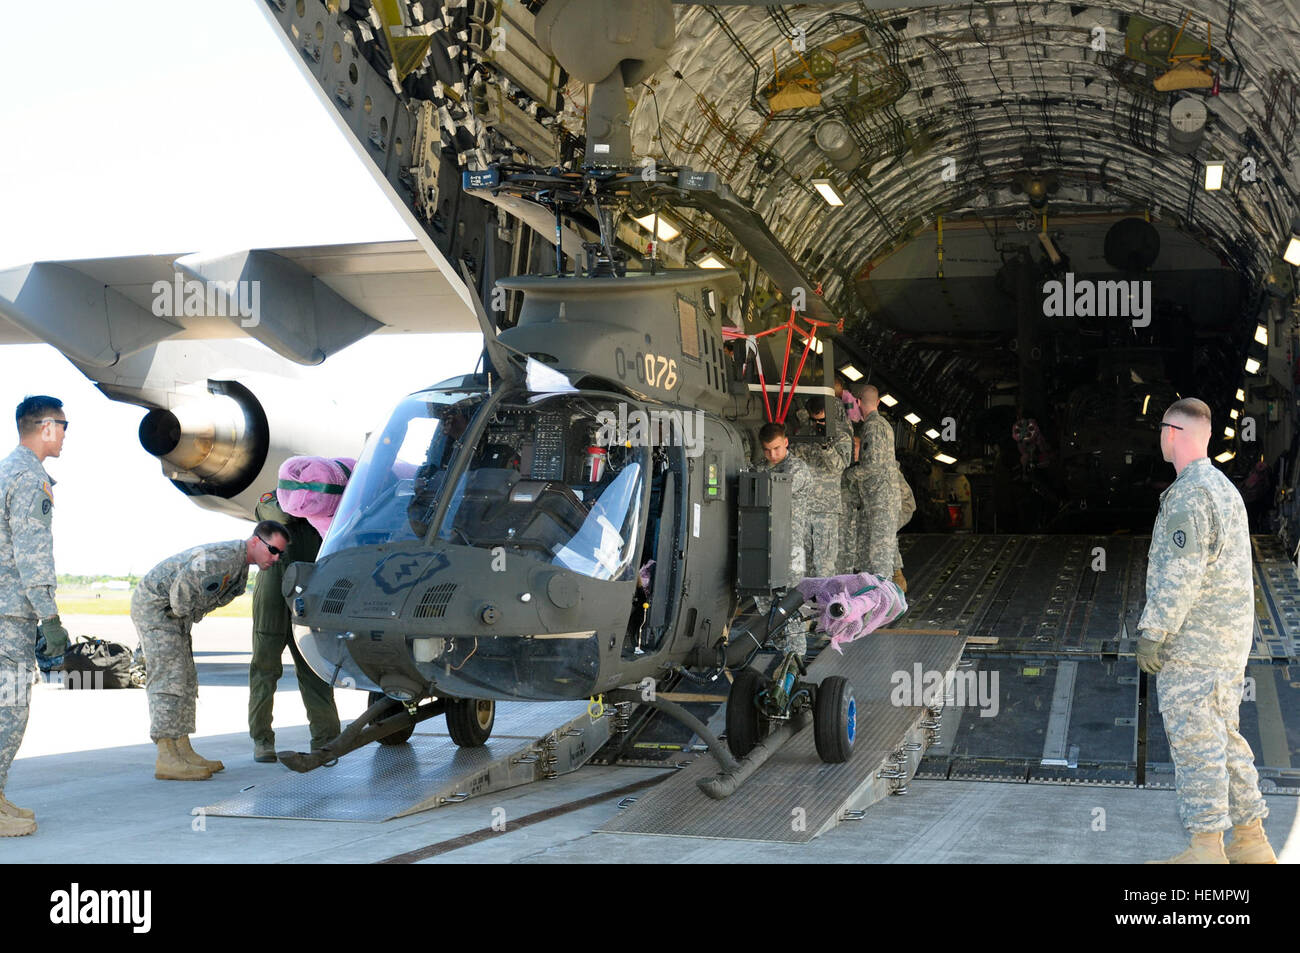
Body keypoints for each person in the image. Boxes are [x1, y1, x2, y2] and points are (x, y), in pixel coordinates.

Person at [1137, 398, 1275, 864]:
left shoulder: (1190, 494)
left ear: (1171, 433)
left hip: (1195, 646)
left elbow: (1181, 573)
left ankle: (1205, 847)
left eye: (1161, 429)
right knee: (1225, 736)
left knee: (1197, 741)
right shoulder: (1222, 488)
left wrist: (1153, 631)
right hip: (1226, 644)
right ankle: (1251, 840)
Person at [132, 522, 291, 780]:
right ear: (255, 542)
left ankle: (182, 748)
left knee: (185, 678)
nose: (275, 558)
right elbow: (181, 592)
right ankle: (166, 757)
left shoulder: (238, 567)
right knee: (168, 679)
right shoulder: (223, 560)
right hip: (157, 610)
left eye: (279, 554)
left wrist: (183, 617)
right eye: (272, 550)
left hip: (174, 617)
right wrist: (182, 615)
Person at [0, 397, 70, 836]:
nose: (65, 434)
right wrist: (50, 618)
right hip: (11, 616)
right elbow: (32, 555)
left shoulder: (9, 468)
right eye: (63, 425)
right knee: (9, 708)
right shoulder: (29, 478)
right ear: (45, 427)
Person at [248, 492, 339, 763]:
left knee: (316, 672)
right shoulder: (270, 501)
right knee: (264, 670)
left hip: (307, 596)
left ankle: (327, 741)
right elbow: (279, 516)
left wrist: (316, 503)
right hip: (272, 599)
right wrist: (302, 502)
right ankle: (262, 740)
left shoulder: (326, 506)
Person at [755, 422, 815, 658]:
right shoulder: (759, 468)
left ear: (786, 442)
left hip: (790, 548)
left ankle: (795, 657)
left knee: (789, 603)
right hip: (763, 545)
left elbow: (777, 491)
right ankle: (783, 650)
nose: (772, 455)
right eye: (767, 450)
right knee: (764, 603)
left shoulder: (797, 469)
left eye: (777, 448)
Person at [788, 396, 851, 578]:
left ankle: (825, 602)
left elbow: (840, 466)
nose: (818, 424)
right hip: (803, 507)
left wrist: (826, 446)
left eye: (822, 420)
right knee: (801, 561)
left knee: (825, 563)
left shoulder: (840, 434)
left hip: (826, 508)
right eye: (814, 420)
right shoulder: (804, 433)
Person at [846, 384, 902, 584]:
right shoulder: (881, 425)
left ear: (858, 402)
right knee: (873, 554)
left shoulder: (873, 427)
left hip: (881, 501)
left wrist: (847, 475)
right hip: (877, 500)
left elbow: (872, 466)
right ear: (877, 402)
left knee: (880, 558)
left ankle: (885, 604)